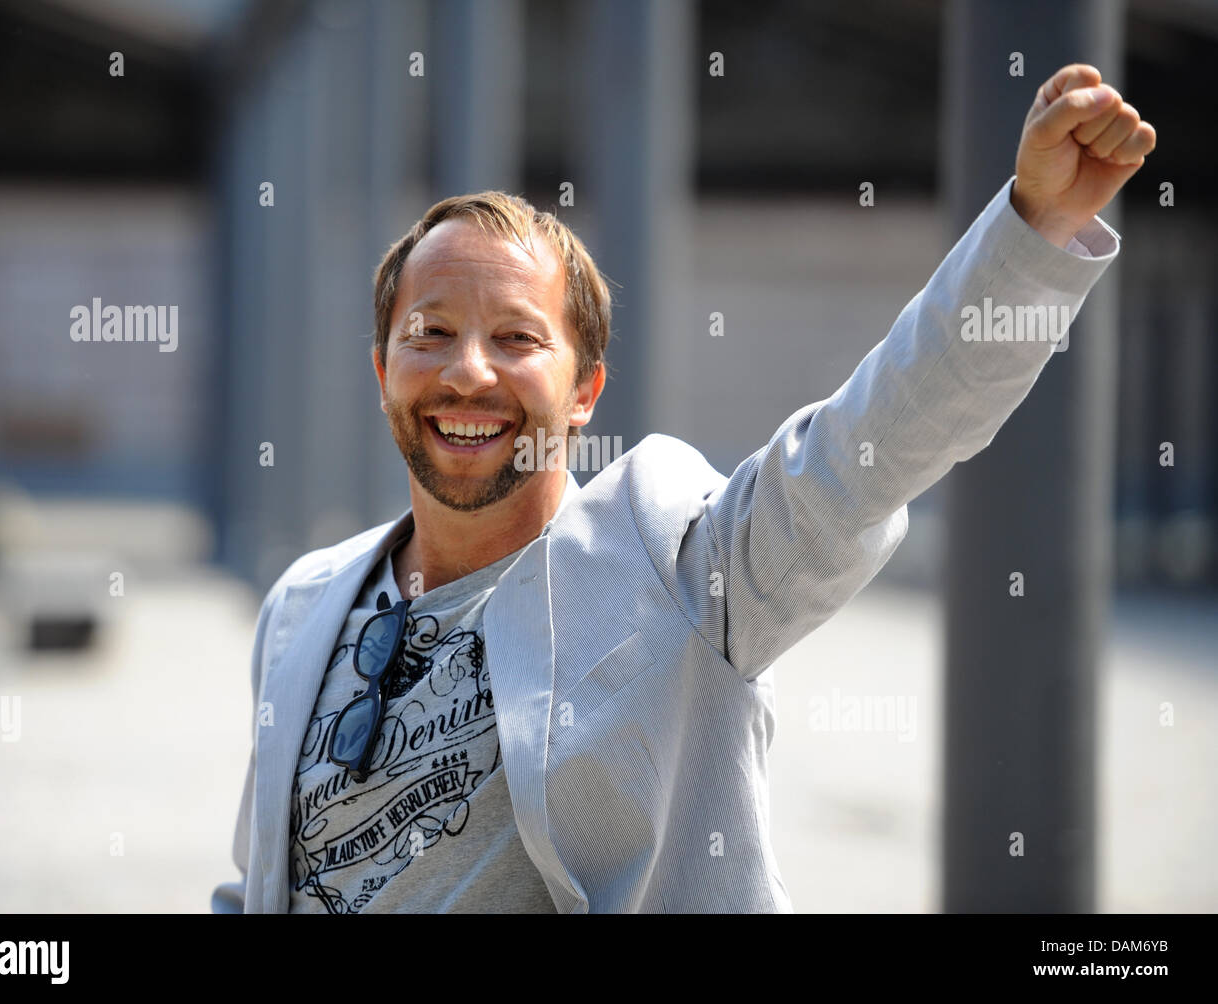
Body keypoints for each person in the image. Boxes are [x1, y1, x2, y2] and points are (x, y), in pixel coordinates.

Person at [212, 64, 1155, 913]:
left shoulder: (672, 567)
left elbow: (878, 439)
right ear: (382, 371)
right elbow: (260, 885)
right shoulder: (304, 607)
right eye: (429, 333)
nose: (468, 373)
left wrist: (1032, 232)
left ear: (585, 392)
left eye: (517, 339)